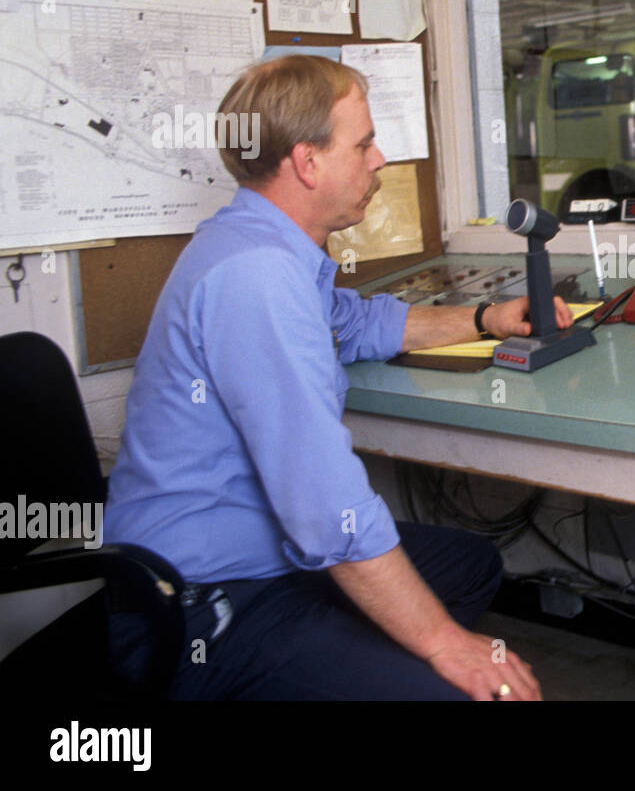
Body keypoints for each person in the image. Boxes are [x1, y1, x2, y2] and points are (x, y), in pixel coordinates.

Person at [105, 55, 571, 700]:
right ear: (307, 162)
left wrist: (489, 316)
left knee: (468, 566)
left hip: (268, 556)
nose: (379, 159)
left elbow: (355, 325)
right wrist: (443, 645)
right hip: (199, 601)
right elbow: (327, 511)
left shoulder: (262, 243)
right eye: (364, 142)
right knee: (460, 687)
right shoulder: (256, 277)